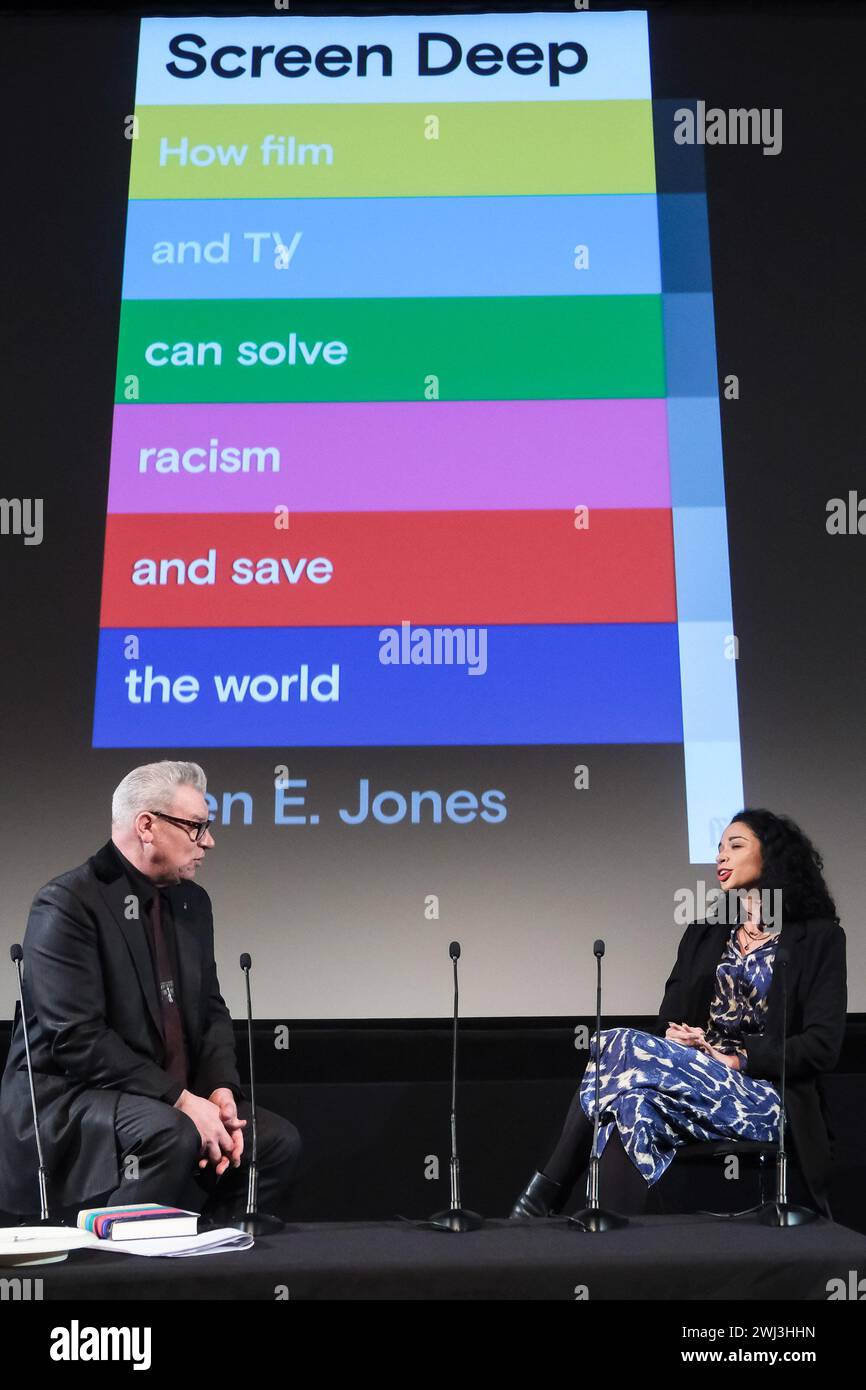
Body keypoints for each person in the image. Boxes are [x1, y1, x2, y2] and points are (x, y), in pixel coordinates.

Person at [0, 761, 301, 1223]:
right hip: (72, 1097)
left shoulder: (192, 903)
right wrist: (181, 1102)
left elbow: (211, 1012)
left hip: (165, 1097)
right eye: (197, 827)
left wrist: (220, 1091)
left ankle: (213, 1264)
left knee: (272, 1143)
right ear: (147, 826)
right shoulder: (67, 904)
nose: (209, 842)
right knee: (170, 1134)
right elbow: (77, 1039)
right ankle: (114, 1272)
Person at [510, 810, 847, 1220]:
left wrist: (739, 1059)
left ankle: (542, 1195)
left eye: (735, 846)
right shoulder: (704, 935)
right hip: (696, 1080)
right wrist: (681, 1039)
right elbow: (666, 1021)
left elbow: (822, 1046)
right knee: (632, 1103)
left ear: (773, 857)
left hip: (767, 1096)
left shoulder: (818, 938)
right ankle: (612, 1250)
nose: (721, 857)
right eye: (719, 848)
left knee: (617, 1042)